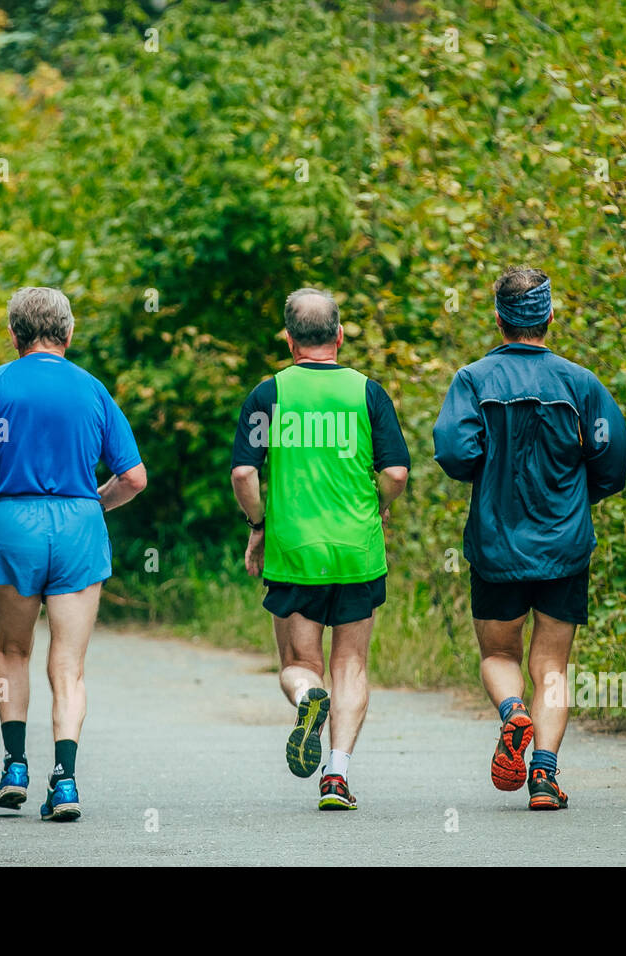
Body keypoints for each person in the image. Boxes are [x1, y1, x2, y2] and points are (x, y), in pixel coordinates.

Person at [0, 287, 147, 821]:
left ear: (14, 335)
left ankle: (15, 767)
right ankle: (65, 782)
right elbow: (134, 477)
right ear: (69, 333)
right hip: (79, 525)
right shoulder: (93, 390)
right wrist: (94, 504)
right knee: (69, 666)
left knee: (14, 651)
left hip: (13, 524)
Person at [433, 267, 626, 810]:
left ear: (498, 319)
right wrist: (575, 498)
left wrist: (487, 470)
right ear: (548, 319)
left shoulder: (473, 380)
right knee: (554, 668)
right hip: (564, 545)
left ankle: (510, 712)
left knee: (499, 652)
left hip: (496, 544)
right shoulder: (581, 384)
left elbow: (453, 451)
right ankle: (543, 778)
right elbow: (612, 462)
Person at [231, 288, 409, 811]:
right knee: (350, 664)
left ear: (289, 340)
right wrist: (379, 506)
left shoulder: (269, 394)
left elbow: (244, 471)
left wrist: (258, 524)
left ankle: (309, 699)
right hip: (357, 551)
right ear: (338, 335)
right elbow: (396, 472)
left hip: (295, 553)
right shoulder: (368, 393)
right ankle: (336, 775)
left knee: (298, 663)